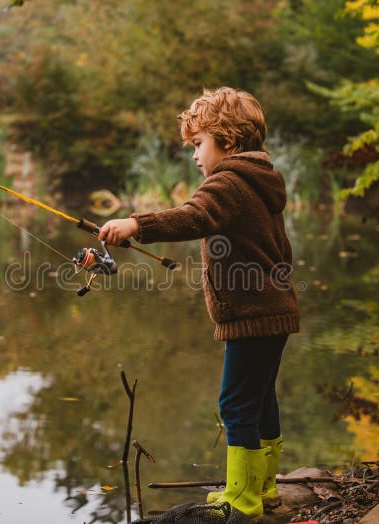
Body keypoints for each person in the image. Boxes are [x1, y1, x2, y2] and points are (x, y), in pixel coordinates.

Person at [99, 87, 300, 518]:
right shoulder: (260, 184)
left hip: (254, 314)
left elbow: (194, 216)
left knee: (235, 404)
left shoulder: (228, 182)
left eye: (198, 144)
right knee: (260, 400)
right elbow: (282, 252)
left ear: (227, 140)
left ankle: (242, 501)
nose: (194, 156)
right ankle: (263, 491)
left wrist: (136, 223)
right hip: (273, 311)